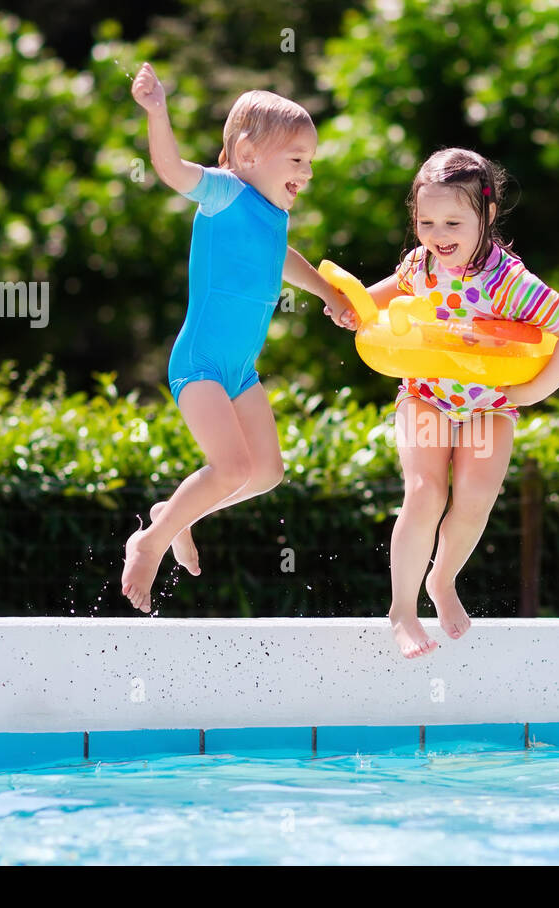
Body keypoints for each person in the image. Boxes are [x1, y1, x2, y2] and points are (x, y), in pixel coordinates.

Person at [121, 63, 355, 613]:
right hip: (200, 364)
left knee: (267, 473)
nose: (308, 173)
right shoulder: (225, 192)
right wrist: (158, 112)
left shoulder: (273, 215)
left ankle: (174, 514)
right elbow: (173, 170)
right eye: (298, 160)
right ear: (248, 155)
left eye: (310, 163)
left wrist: (327, 292)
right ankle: (151, 541)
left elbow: (281, 261)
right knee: (230, 468)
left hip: (239, 373)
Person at [354, 148, 559, 657]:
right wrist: (351, 306)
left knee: (473, 500)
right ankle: (402, 611)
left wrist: (536, 390)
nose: (437, 234)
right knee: (425, 493)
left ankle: (441, 580)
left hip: (490, 405)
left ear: (486, 216)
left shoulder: (505, 282)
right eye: (425, 221)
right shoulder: (421, 264)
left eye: (452, 221)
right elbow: (383, 296)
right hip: (425, 394)